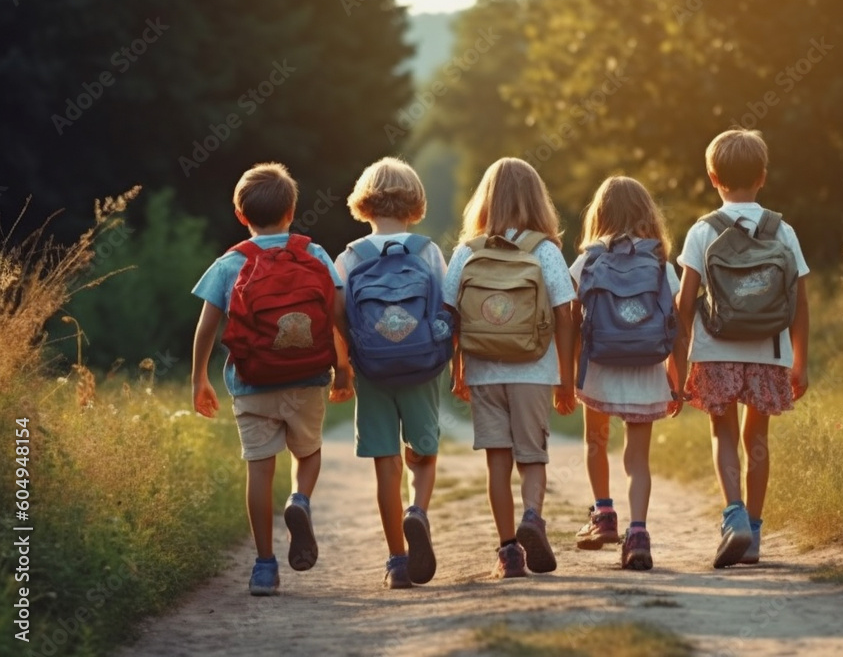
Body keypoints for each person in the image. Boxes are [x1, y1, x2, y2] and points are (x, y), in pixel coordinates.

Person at [191, 162, 351, 596]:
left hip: (251, 383)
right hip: (309, 377)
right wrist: (343, 370)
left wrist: (198, 379)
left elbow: (207, 326)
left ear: (241, 216)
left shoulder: (229, 264)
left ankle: (264, 566)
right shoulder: (314, 254)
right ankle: (300, 499)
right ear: (292, 210)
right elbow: (337, 316)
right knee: (310, 451)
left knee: (259, 471)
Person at [676, 129, 810, 568]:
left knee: (723, 433)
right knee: (758, 439)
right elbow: (800, 302)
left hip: (715, 350)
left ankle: (731, 512)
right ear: (763, 176)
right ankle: (752, 532)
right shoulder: (782, 230)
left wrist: (675, 363)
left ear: (713, 176)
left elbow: (683, 304)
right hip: (769, 351)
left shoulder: (702, 231)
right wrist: (800, 362)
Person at [443, 157, 577, 579]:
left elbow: (451, 314)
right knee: (532, 456)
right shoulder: (546, 251)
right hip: (534, 370)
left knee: (497, 462)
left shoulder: (468, 251)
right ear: (538, 200)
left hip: (484, 370)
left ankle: (508, 551)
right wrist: (567, 380)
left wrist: (458, 369)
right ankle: (533, 517)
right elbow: (566, 315)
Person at [332, 157, 447, 589]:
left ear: (365, 203)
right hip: (421, 367)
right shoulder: (428, 251)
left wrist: (343, 369)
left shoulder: (350, 256)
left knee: (386, 463)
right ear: (414, 203)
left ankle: (397, 559)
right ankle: (418, 509)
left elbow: (337, 317)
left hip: (373, 371)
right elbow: (446, 307)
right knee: (425, 450)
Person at [570, 176, 688, 571]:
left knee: (595, 440)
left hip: (601, 365)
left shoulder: (589, 258)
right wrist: (678, 378)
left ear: (599, 216)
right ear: (646, 214)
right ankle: (638, 533)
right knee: (638, 458)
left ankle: (603, 514)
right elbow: (676, 323)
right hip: (646, 367)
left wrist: (568, 374)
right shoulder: (658, 261)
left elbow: (570, 319)